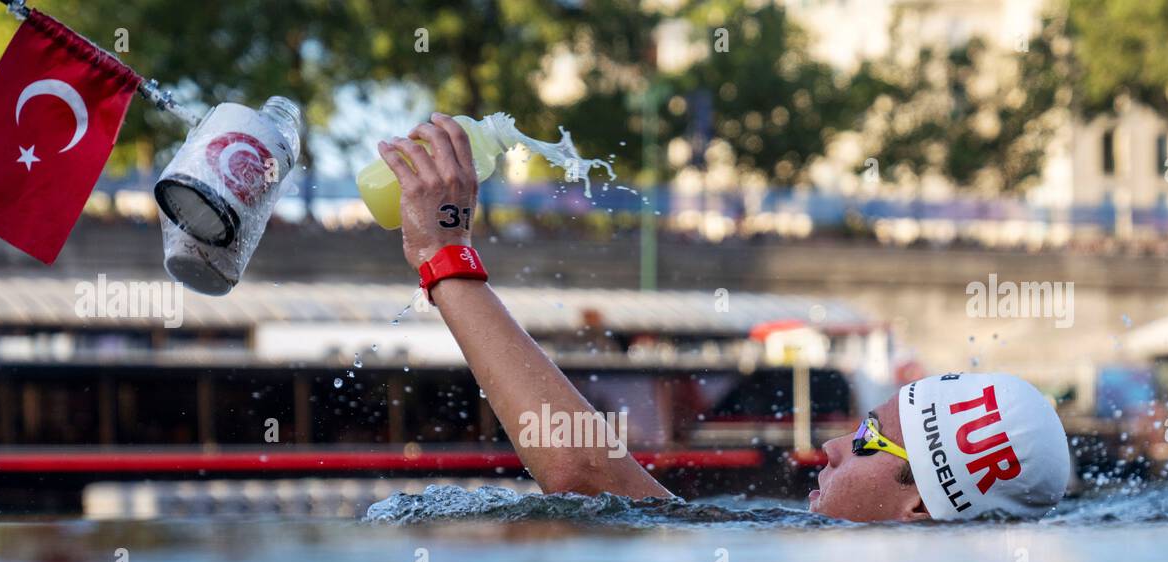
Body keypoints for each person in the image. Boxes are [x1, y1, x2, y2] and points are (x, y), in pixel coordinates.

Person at [376, 115, 1070, 522]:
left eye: (867, 439)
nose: (831, 444)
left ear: (920, 504)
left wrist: (445, 257)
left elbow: (586, 471)